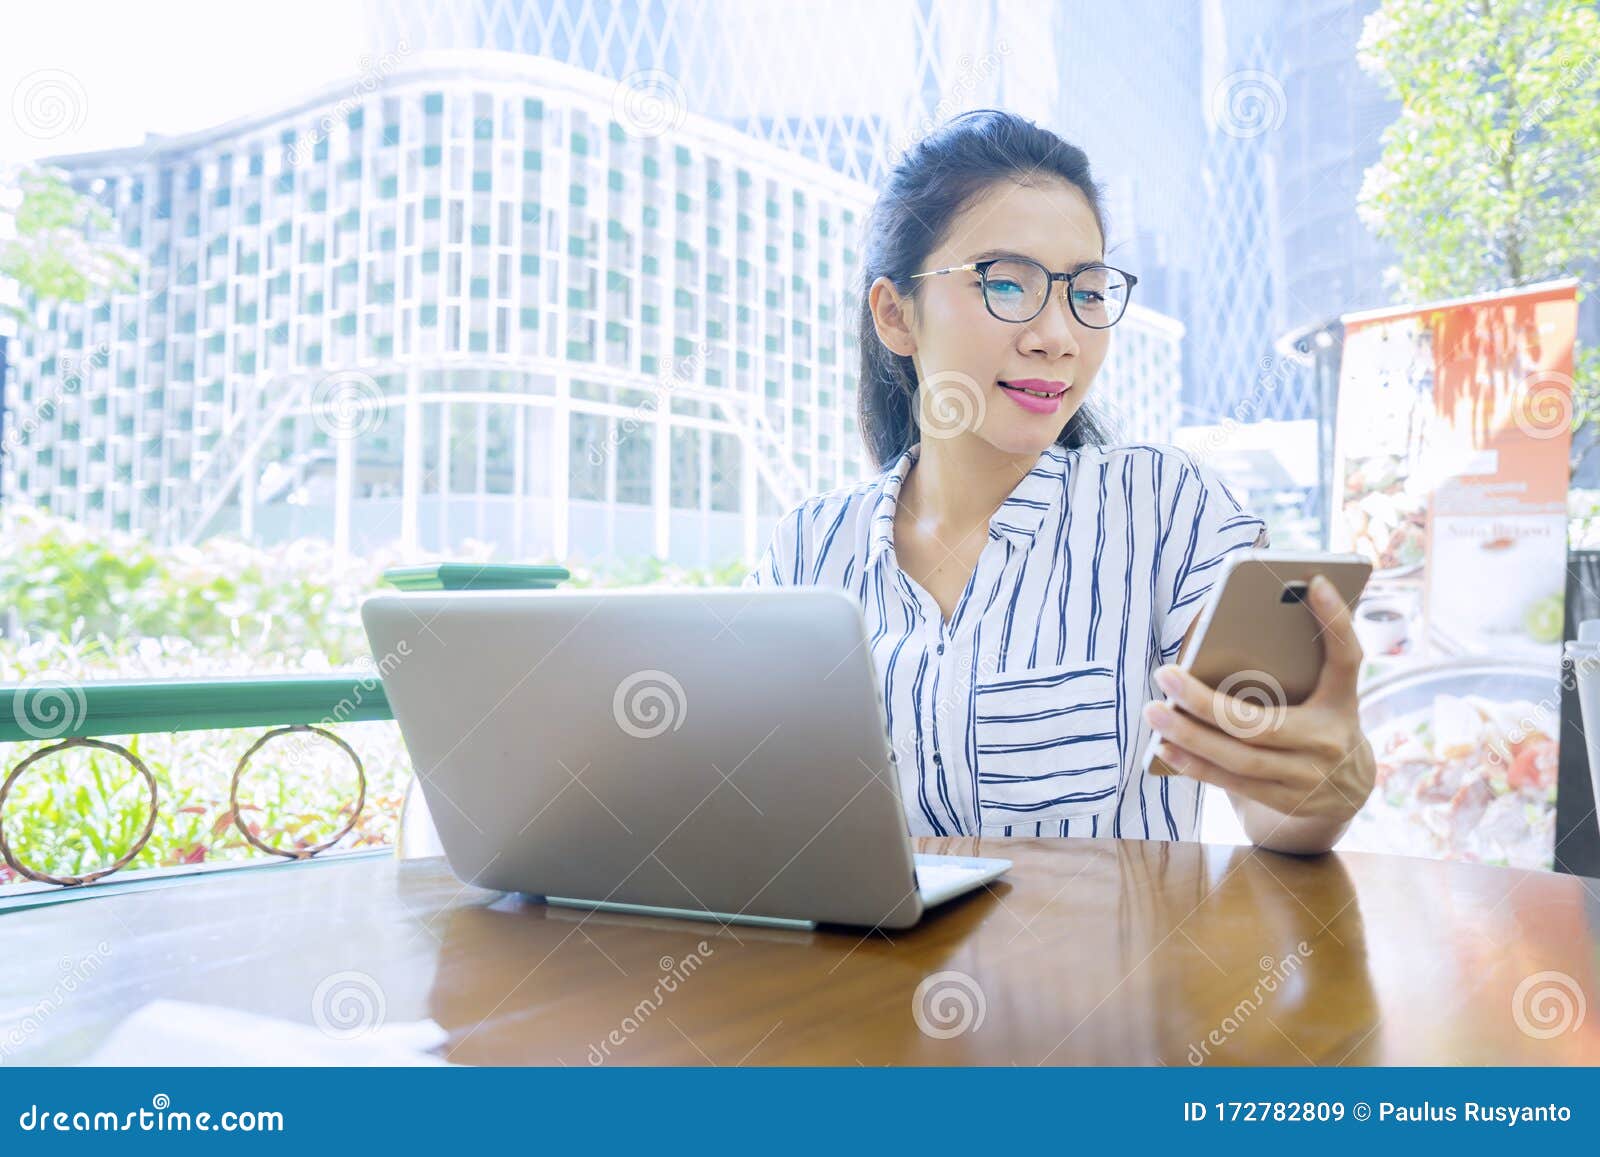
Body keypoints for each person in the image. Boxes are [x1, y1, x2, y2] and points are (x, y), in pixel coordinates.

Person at [743, 109, 1374, 853]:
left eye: (1088, 291)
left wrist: (1323, 789)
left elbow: (1275, 807)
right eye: (1007, 284)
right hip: (871, 972)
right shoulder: (808, 548)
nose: (1059, 336)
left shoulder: (1167, 508)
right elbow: (755, 812)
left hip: (1117, 971)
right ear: (896, 315)